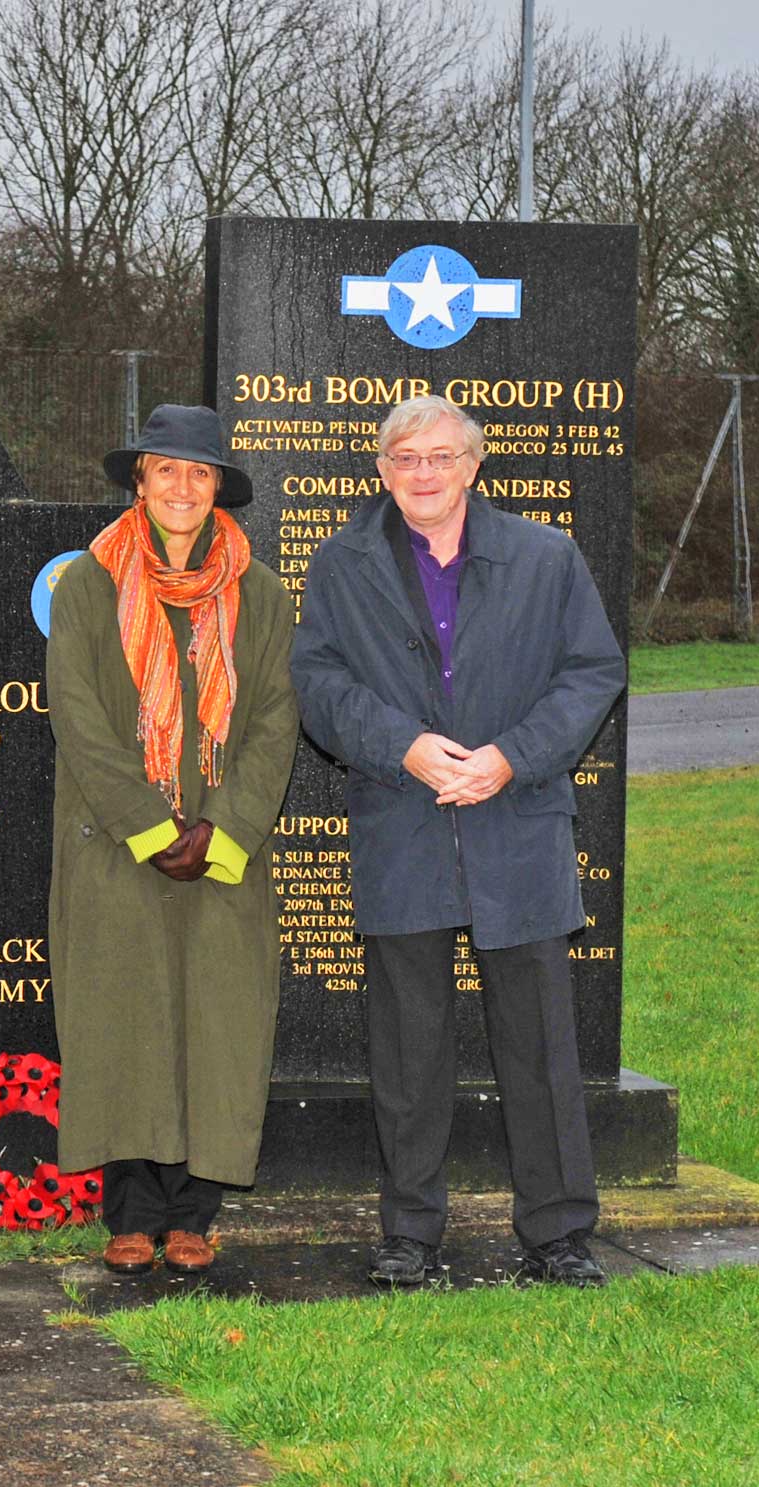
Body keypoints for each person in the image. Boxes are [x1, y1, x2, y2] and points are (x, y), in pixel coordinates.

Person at [290, 393, 626, 1289]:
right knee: (409, 1045)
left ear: (475, 465)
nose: (424, 474)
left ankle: (558, 1233)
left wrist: (513, 757)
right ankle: (410, 1233)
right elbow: (316, 681)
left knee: (542, 1041)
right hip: (402, 822)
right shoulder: (342, 563)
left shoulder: (546, 556)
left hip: (517, 825)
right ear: (381, 471)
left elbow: (595, 670)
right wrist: (399, 745)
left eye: (441, 457)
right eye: (405, 459)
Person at [46, 404, 300, 1277]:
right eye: (166, 470)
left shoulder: (260, 592)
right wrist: (153, 828)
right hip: (118, 843)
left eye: (201, 473)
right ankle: (130, 1209)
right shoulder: (88, 584)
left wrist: (222, 828)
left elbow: (273, 717)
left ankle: (195, 1210)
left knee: (215, 1020)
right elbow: (77, 717)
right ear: (139, 481)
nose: (183, 487)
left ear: (219, 487)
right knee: (124, 1017)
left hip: (225, 845)